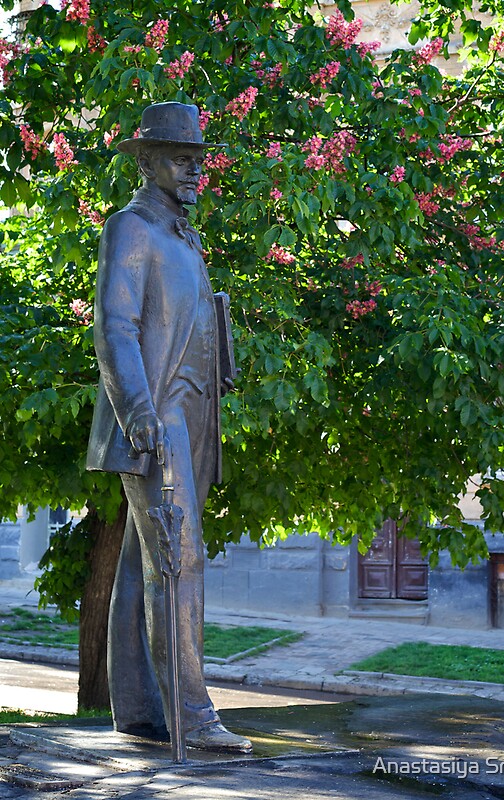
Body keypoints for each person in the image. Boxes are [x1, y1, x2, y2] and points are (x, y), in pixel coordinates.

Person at [86, 101, 251, 753]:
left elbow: (183, 319)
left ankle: (138, 709)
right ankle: (194, 717)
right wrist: (138, 413)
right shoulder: (131, 228)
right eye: (181, 159)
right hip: (156, 421)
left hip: (192, 415)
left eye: (197, 160)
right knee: (179, 561)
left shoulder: (184, 237)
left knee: (143, 562)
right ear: (148, 162)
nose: (194, 170)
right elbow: (115, 327)